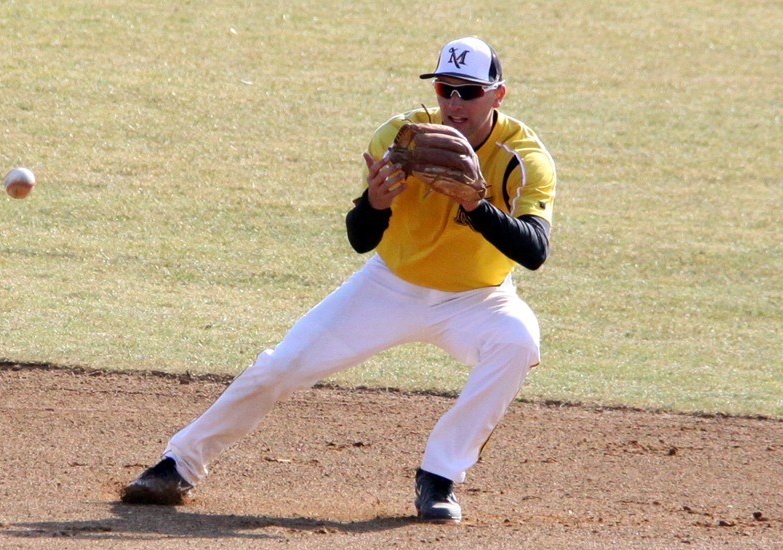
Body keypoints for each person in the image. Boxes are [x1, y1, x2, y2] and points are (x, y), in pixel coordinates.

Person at [120, 36, 557, 524]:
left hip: (479, 300)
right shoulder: (402, 138)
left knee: (518, 341)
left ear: (498, 95)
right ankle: (178, 465)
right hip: (388, 287)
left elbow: (534, 251)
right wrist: (374, 203)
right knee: (280, 366)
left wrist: (476, 205)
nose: (454, 102)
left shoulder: (523, 157)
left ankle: (439, 477)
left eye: (469, 91)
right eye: (445, 88)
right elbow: (360, 238)